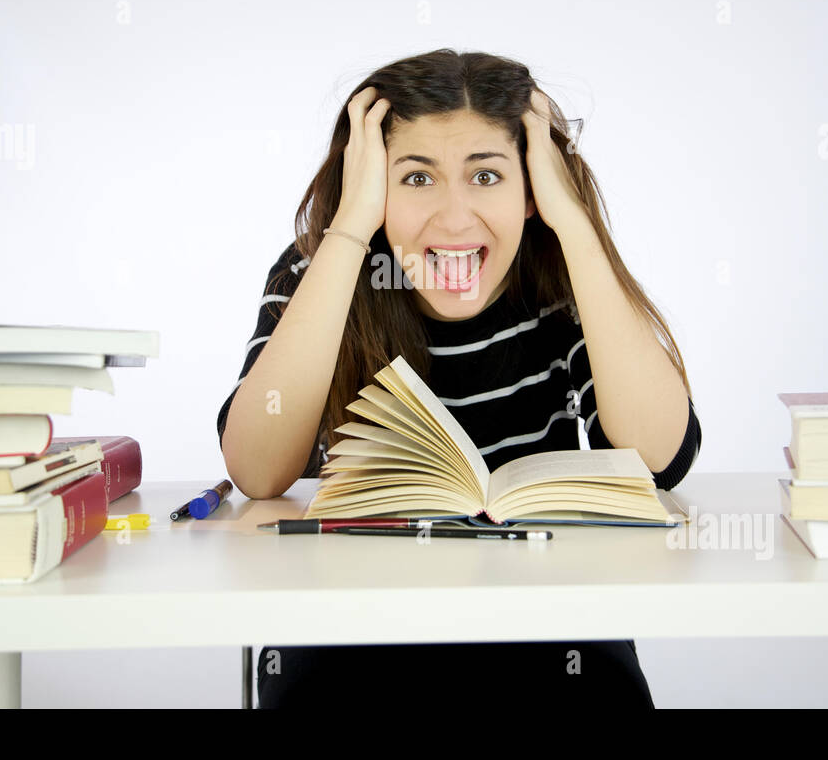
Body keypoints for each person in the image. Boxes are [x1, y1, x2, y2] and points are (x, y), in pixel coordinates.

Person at [217, 49, 702, 708]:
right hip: (351, 630)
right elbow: (258, 469)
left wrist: (575, 225)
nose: (453, 219)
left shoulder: (558, 278)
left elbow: (663, 456)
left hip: (549, 629)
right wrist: (352, 228)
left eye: (487, 176)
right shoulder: (317, 274)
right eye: (416, 179)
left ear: (530, 187)